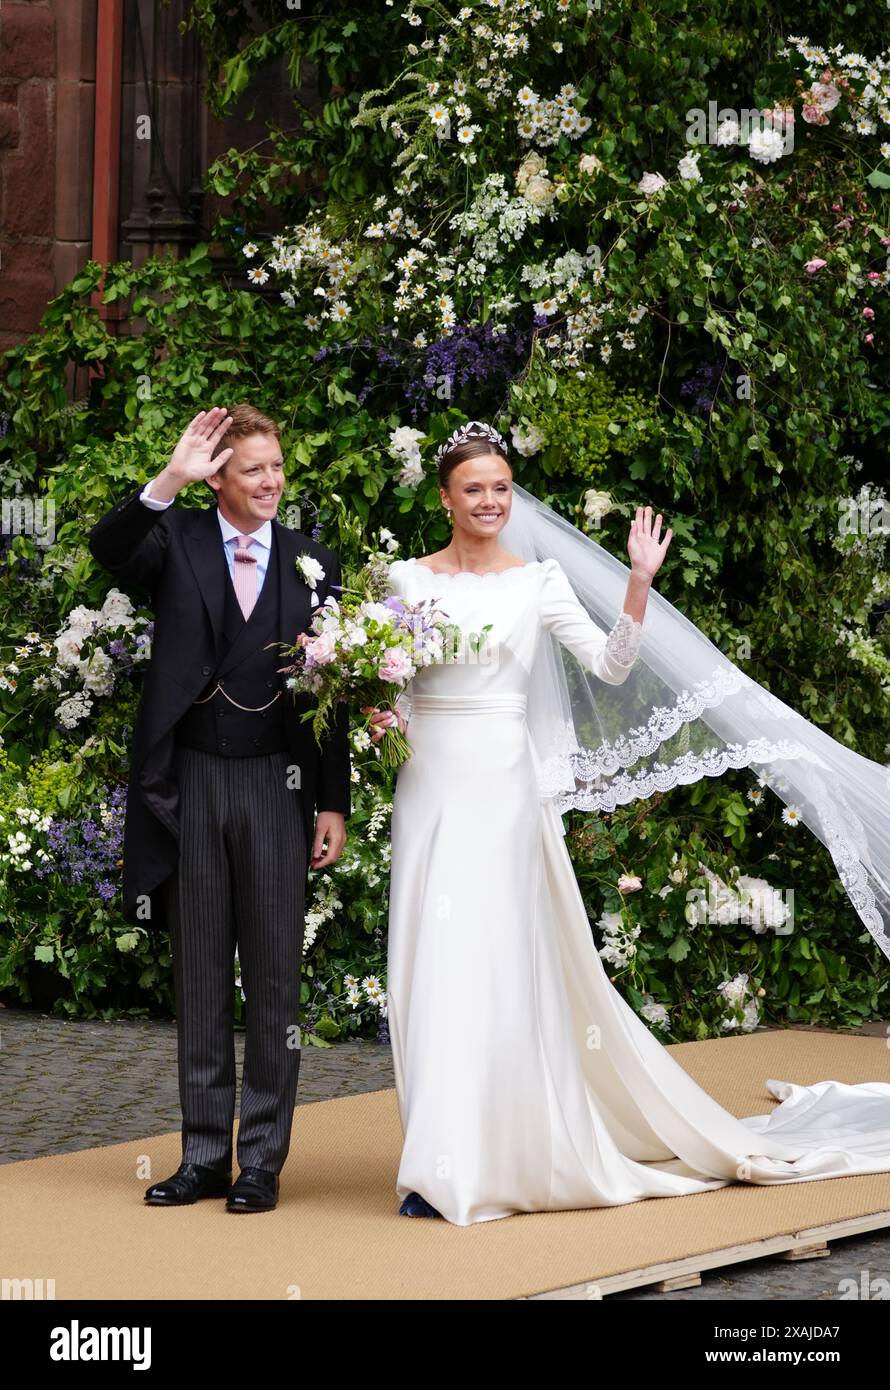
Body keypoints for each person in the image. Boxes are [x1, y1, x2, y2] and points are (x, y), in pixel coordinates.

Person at [366, 419, 890, 1226]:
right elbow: (391, 682)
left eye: (501, 488)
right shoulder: (401, 578)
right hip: (428, 784)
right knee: (424, 963)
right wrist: (377, 712)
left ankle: (488, 1160)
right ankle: (432, 1157)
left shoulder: (535, 582)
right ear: (444, 497)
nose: (490, 501)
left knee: (495, 966)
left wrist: (639, 582)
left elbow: (610, 666)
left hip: (502, 788)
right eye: (474, 489)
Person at [88, 405, 350, 1213]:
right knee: (200, 971)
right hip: (193, 784)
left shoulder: (314, 562)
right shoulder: (180, 542)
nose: (271, 482)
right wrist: (169, 479)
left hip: (280, 787)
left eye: (277, 467)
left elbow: (333, 692)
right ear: (219, 479)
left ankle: (263, 1162)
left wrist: (333, 801)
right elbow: (109, 548)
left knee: (274, 976)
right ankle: (203, 1157)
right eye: (253, 470)